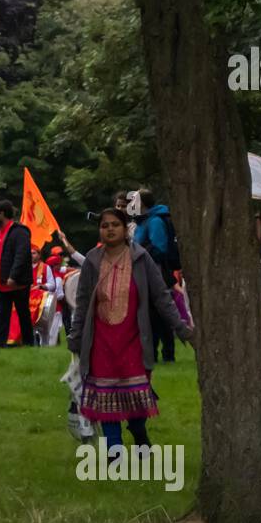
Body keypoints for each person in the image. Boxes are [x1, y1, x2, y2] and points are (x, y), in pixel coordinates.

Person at [68, 208, 194, 455]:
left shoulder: (140, 258)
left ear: (125, 229)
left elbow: (161, 297)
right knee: (106, 400)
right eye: (105, 225)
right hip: (101, 342)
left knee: (136, 399)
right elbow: (82, 303)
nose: (110, 229)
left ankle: (138, 433)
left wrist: (182, 329)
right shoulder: (93, 260)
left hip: (134, 340)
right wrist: (75, 336)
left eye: (115, 224)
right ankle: (114, 453)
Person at [134, 188, 178, 364]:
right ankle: (154, 353)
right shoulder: (144, 221)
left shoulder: (155, 222)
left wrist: (139, 253)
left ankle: (164, 354)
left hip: (154, 273)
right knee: (153, 314)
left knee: (157, 315)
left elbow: (160, 248)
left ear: (142, 204)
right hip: (144, 271)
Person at [0, 200, 34, 347]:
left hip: (17, 282)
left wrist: (13, 276)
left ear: (2, 214)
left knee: (23, 314)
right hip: (1, 283)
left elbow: (21, 255)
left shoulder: (20, 231)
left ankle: (29, 344)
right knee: (2, 315)